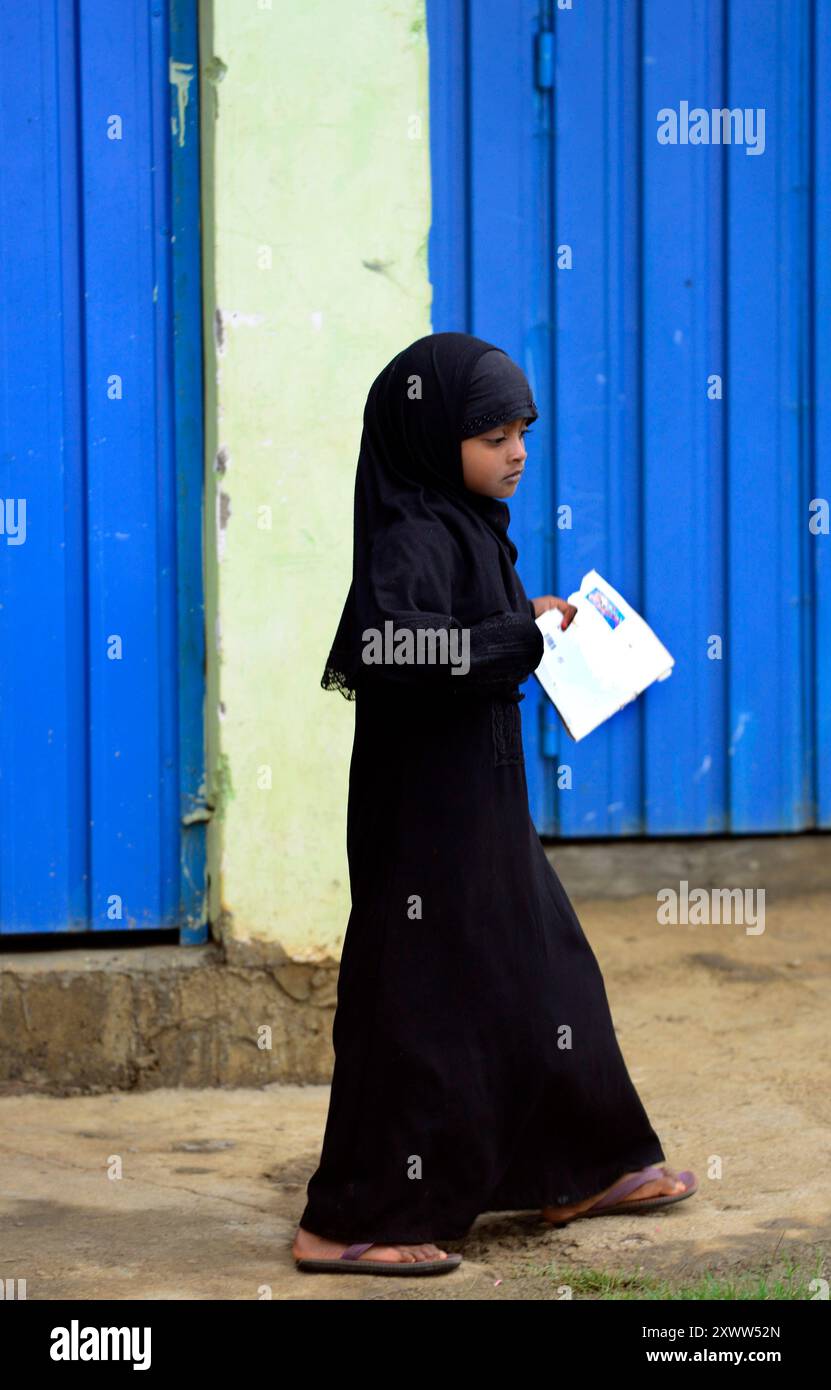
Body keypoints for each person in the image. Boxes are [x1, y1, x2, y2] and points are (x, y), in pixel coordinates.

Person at [292, 332, 697, 1276]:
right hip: (423, 818)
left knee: (544, 968)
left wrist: (533, 622)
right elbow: (387, 650)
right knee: (420, 1003)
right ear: (432, 437)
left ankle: (580, 1167)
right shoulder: (411, 534)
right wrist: (516, 641)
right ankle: (349, 1221)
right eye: (491, 434)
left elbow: (475, 633)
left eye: (522, 429)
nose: (515, 450)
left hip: (479, 796)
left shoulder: (467, 523)